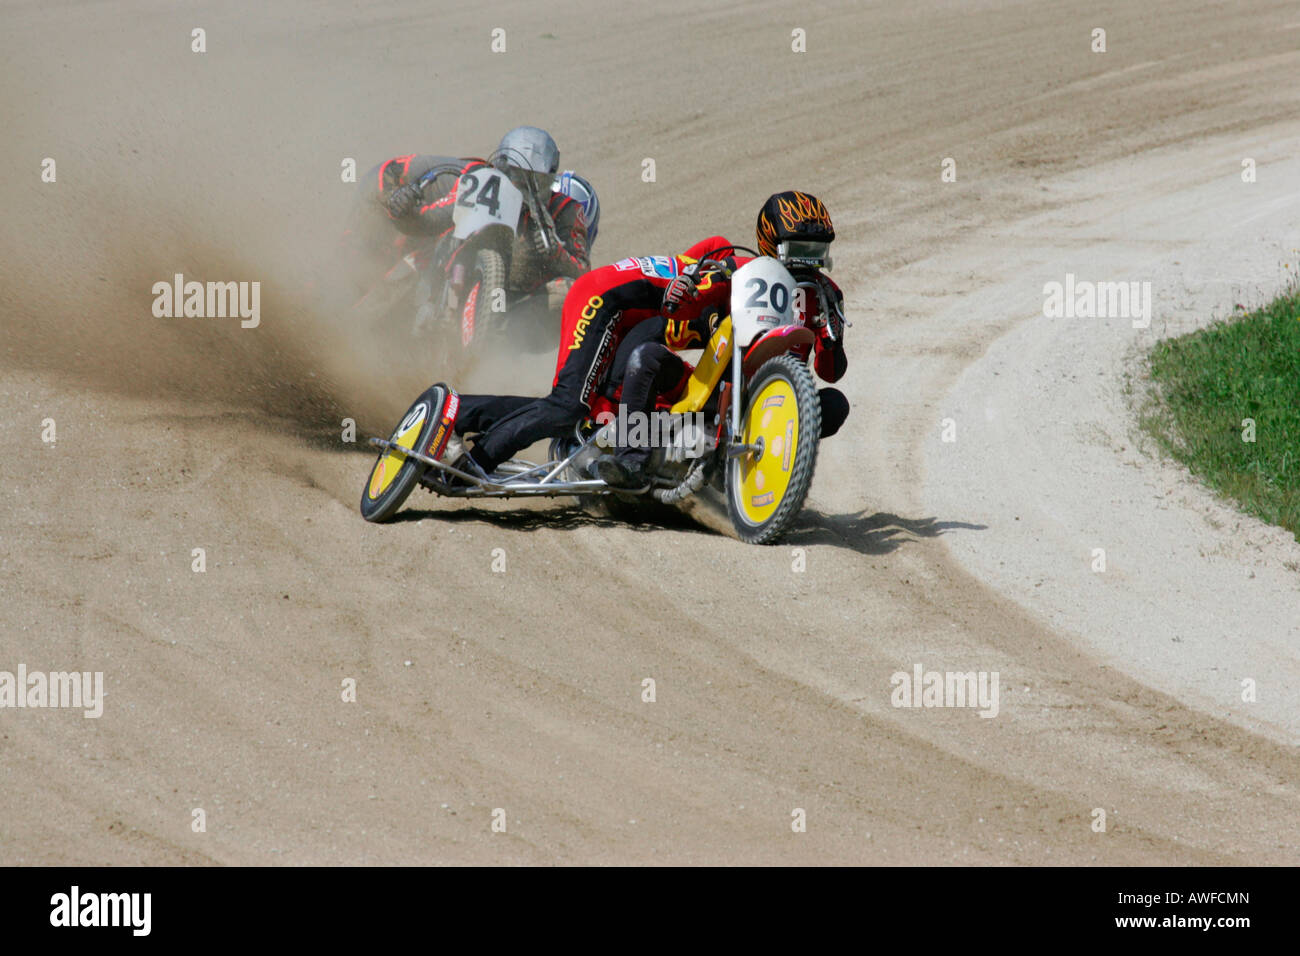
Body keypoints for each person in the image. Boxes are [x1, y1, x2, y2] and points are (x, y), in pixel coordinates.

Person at [591, 191, 850, 487]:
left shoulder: (828, 293)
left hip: (775, 405)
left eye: (816, 250)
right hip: (715, 390)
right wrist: (683, 292)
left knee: (834, 404)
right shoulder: (739, 268)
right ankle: (630, 461)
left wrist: (832, 340)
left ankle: (778, 472)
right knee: (646, 357)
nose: (808, 258)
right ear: (772, 243)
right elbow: (687, 306)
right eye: (799, 247)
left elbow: (830, 373)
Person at [450, 236, 739, 480]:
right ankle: (476, 463)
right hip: (604, 300)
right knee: (566, 407)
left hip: (615, 307)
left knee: (575, 414)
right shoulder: (720, 276)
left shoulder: (703, 294)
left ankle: (459, 413)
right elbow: (715, 246)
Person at [339, 126, 590, 301]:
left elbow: (585, 279)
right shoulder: (473, 175)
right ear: (500, 166)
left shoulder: (565, 211)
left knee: (568, 294)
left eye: (538, 181)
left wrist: (554, 253)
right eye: (516, 176)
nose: (524, 187)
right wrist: (398, 202)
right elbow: (389, 174)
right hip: (424, 249)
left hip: (511, 300)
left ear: (551, 181)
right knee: (358, 261)